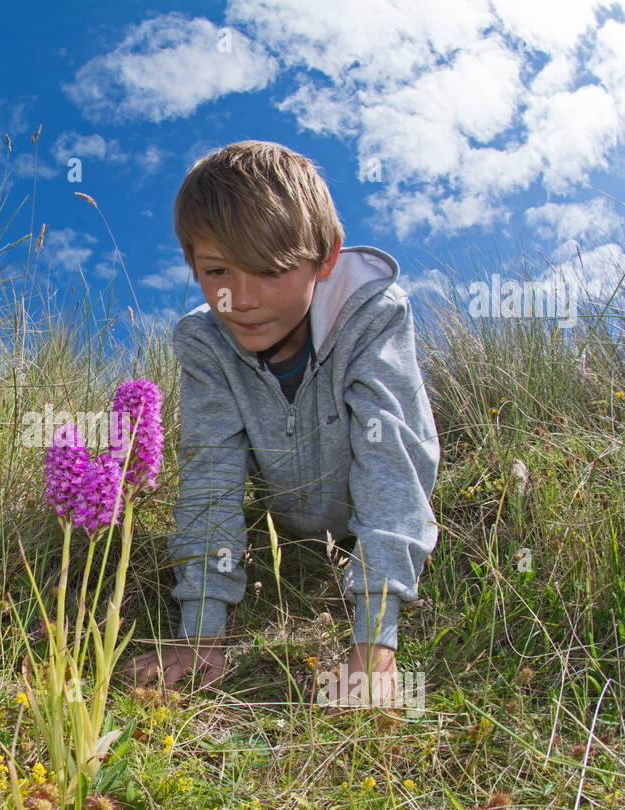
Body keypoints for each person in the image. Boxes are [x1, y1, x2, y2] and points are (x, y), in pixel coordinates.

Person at [118, 141, 440, 708]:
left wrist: (373, 645)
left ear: (326, 257)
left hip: (368, 510)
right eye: (216, 271)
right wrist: (201, 632)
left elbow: (393, 457)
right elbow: (210, 473)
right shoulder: (204, 343)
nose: (240, 299)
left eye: (269, 271)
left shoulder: (376, 313)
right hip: (285, 521)